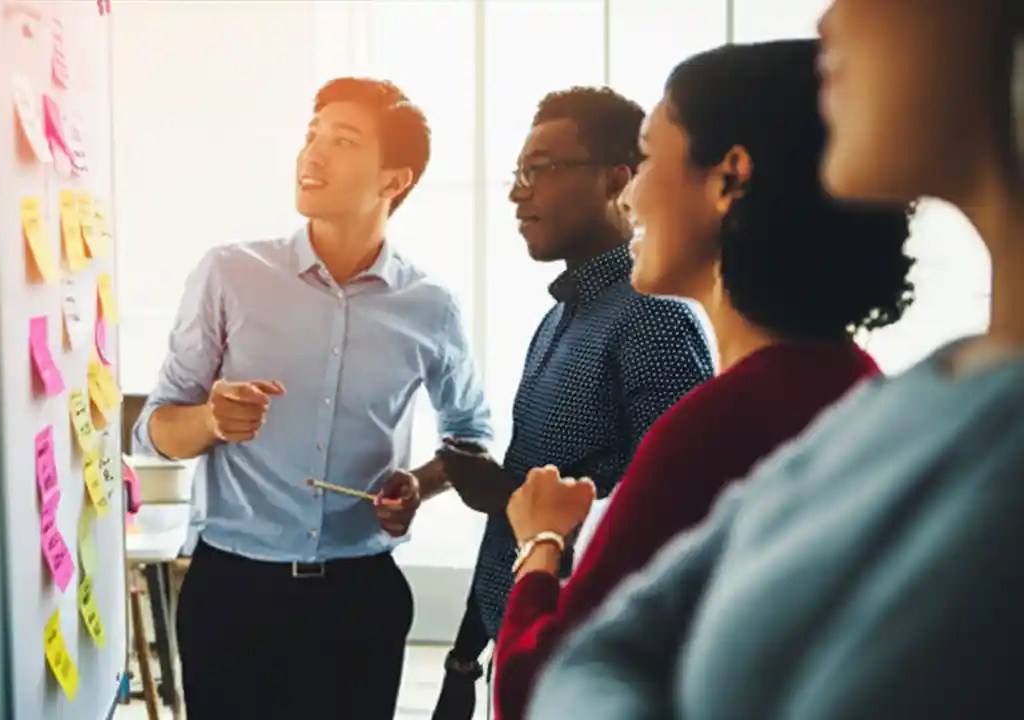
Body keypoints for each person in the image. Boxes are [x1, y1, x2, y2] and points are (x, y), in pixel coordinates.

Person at [529, 1, 1024, 716]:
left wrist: (539, 542)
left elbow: (562, 674)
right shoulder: (906, 400)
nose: (829, 19)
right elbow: (602, 650)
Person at [494, 39, 914, 720]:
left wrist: (540, 544)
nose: (630, 197)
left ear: (728, 179)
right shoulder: (859, 389)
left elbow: (539, 693)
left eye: (651, 159)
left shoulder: (716, 429)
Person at [131, 77, 493, 720]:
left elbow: (469, 433)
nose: (312, 156)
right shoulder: (229, 274)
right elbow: (154, 431)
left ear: (394, 180)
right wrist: (213, 420)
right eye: (311, 135)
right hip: (232, 592)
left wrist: (418, 483)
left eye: (343, 141)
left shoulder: (430, 307)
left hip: (361, 599)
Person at [432, 87, 713, 720]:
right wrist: (467, 654)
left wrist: (503, 494)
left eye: (541, 170)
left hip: (589, 667)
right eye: (517, 173)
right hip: (524, 650)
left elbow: (676, 523)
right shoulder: (561, 315)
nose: (517, 193)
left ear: (618, 180)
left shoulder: (656, 319)